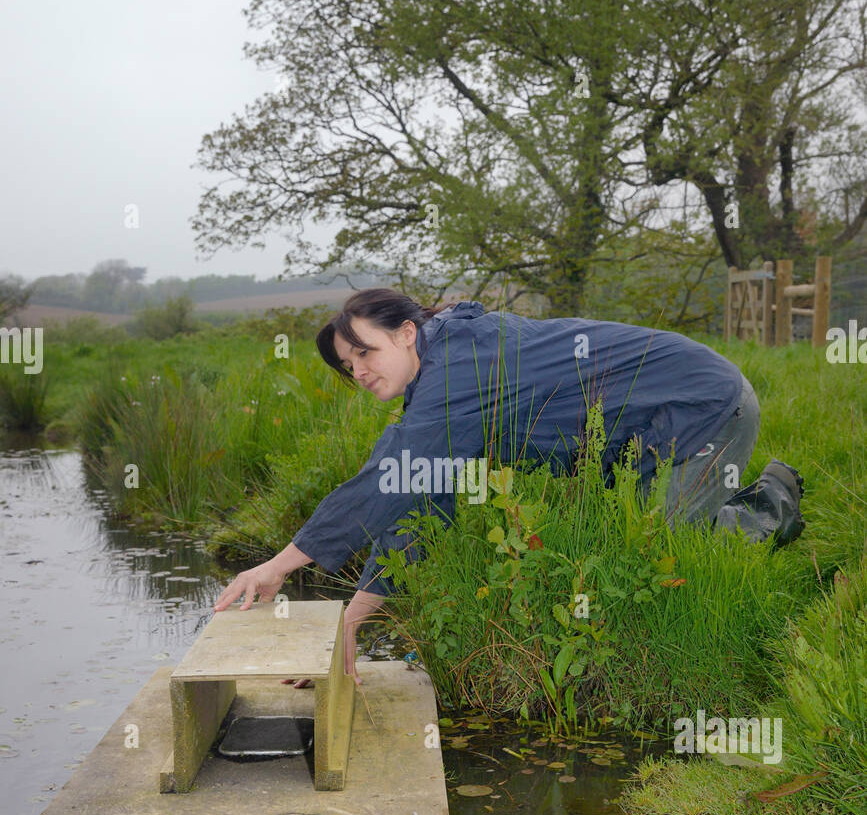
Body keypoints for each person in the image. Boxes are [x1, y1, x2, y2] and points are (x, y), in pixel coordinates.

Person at [213, 289, 805, 682]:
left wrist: (278, 566)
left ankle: (771, 504)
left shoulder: (460, 367)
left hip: (703, 408)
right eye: (349, 366)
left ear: (406, 332)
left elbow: (381, 484)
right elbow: (421, 505)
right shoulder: (445, 377)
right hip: (648, 434)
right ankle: (732, 501)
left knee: (670, 555)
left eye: (364, 352)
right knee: (655, 542)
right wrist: (349, 624)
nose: (359, 371)